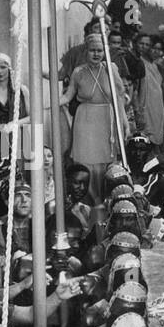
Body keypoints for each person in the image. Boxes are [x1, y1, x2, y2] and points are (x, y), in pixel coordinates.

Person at [62, 32, 128, 202]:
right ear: (86, 51)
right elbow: (67, 97)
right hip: (84, 121)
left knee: (105, 163)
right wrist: (46, 103)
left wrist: (124, 122)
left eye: (99, 50)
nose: (96, 54)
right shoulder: (78, 72)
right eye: (92, 50)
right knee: (85, 162)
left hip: (107, 119)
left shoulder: (111, 68)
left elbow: (119, 96)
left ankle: (104, 201)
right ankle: (85, 202)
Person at [0, 52, 28, 136]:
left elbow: (32, 117)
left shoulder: (22, 90)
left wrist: (15, 124)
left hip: (18, 138)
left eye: (3, 67)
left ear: (9, 69)